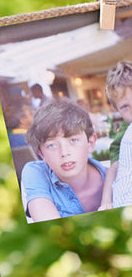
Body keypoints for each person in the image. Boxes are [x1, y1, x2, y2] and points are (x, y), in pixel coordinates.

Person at [20, 98, 106, 221]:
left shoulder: (115, 178)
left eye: (73, 140)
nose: (64, 153)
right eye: (52, 145)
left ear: (90, 143)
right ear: (41, 154)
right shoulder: (36, 172)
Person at [99, 60, 132, 212]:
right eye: (125, 107)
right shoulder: (127, 129)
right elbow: (115, 166)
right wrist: (106, 201)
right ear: (117, 110)